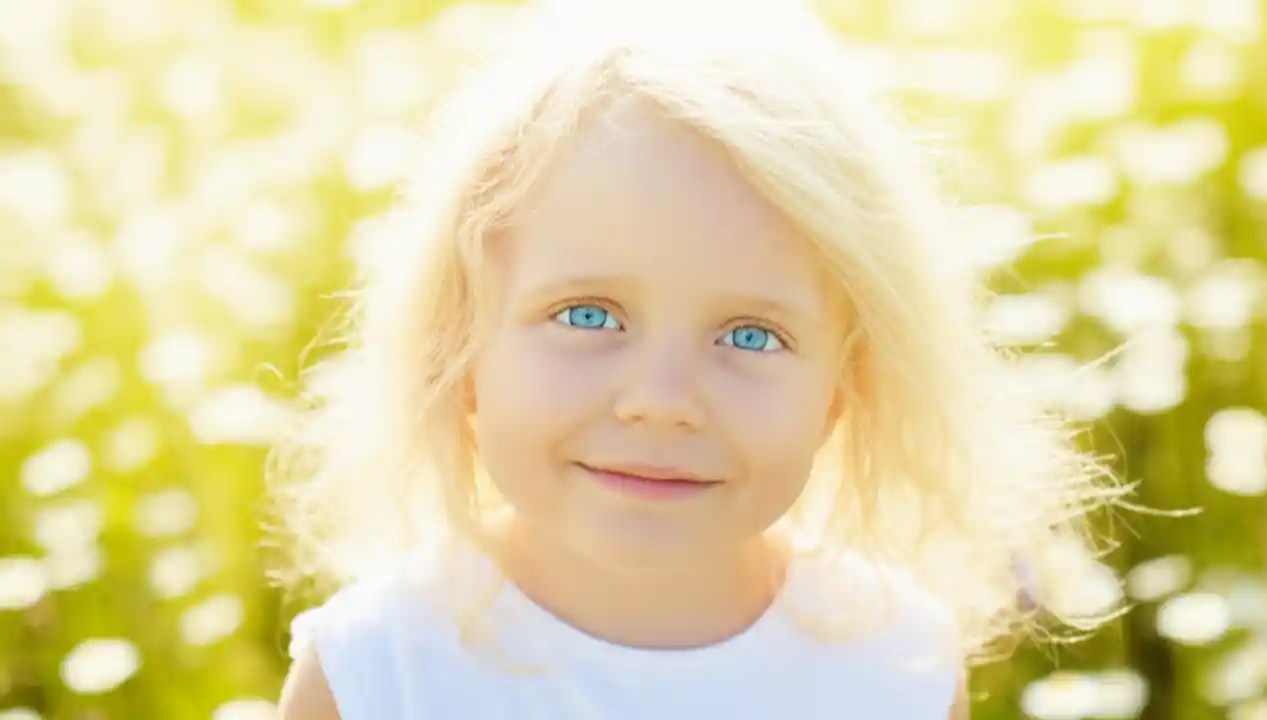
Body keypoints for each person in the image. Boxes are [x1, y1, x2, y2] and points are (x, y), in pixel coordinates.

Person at [269, 1, 1129, 717]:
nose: (662, 398)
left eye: (751, 335)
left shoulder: (896, 671)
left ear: (842, 386)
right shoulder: (377, 675)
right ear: (460, 347)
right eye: (587, 315)